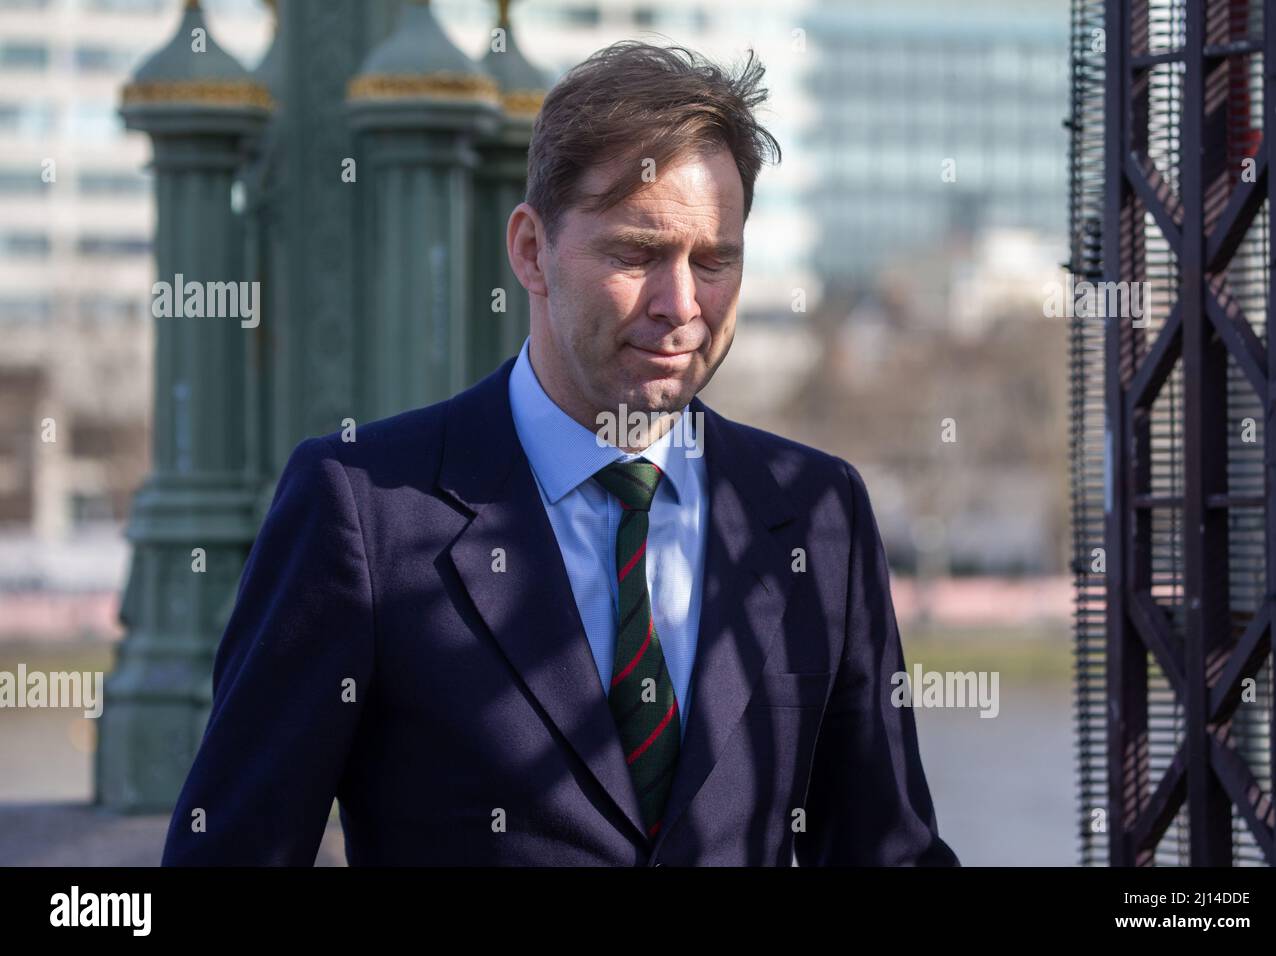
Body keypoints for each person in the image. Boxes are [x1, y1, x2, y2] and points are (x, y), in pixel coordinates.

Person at [161, 40, 958, 867]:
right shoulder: (361, 510)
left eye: (713, 260)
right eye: (636, 252)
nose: (680, 304)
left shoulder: (817, 512)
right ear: (531, 251)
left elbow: (884, 850)